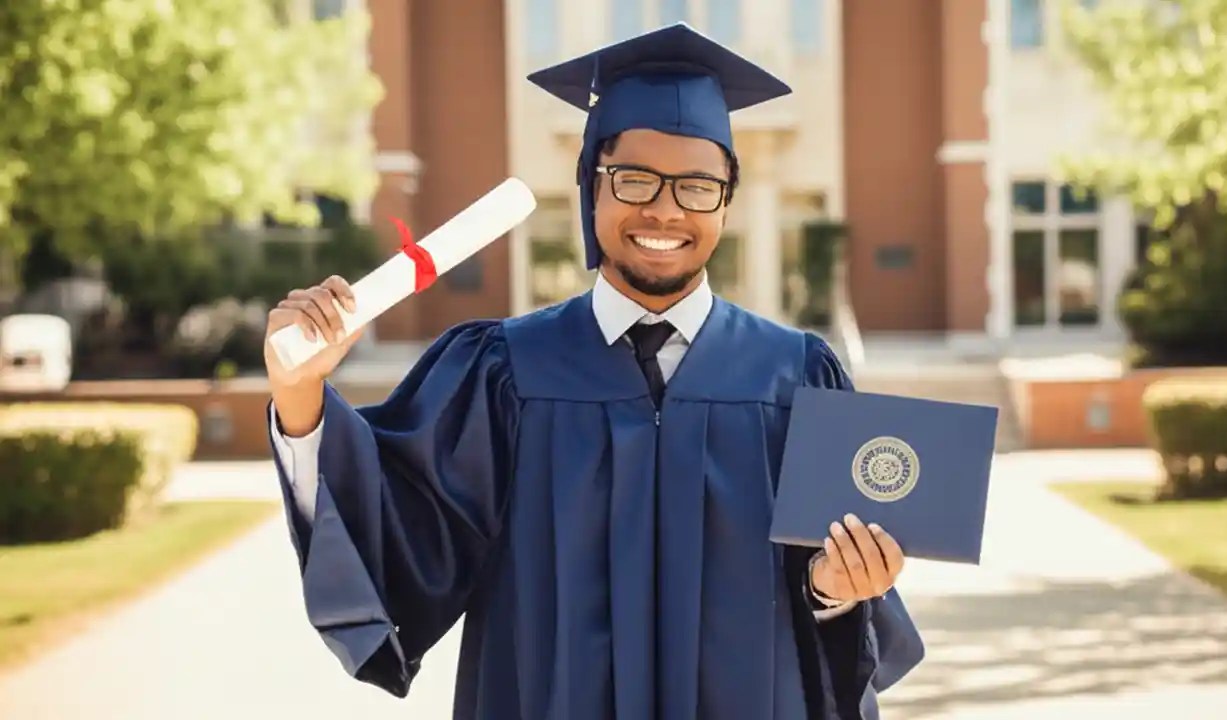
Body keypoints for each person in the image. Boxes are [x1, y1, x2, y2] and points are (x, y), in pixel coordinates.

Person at [264, 23, 923, 719]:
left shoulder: (795, 378)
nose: (665, 209)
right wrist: (301, 393)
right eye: (635, 179)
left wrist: (837, 590)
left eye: (698, 187)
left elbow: (836, 606)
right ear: (591, 188)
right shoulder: (503, 376)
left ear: (726, 202)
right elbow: (400, 541)